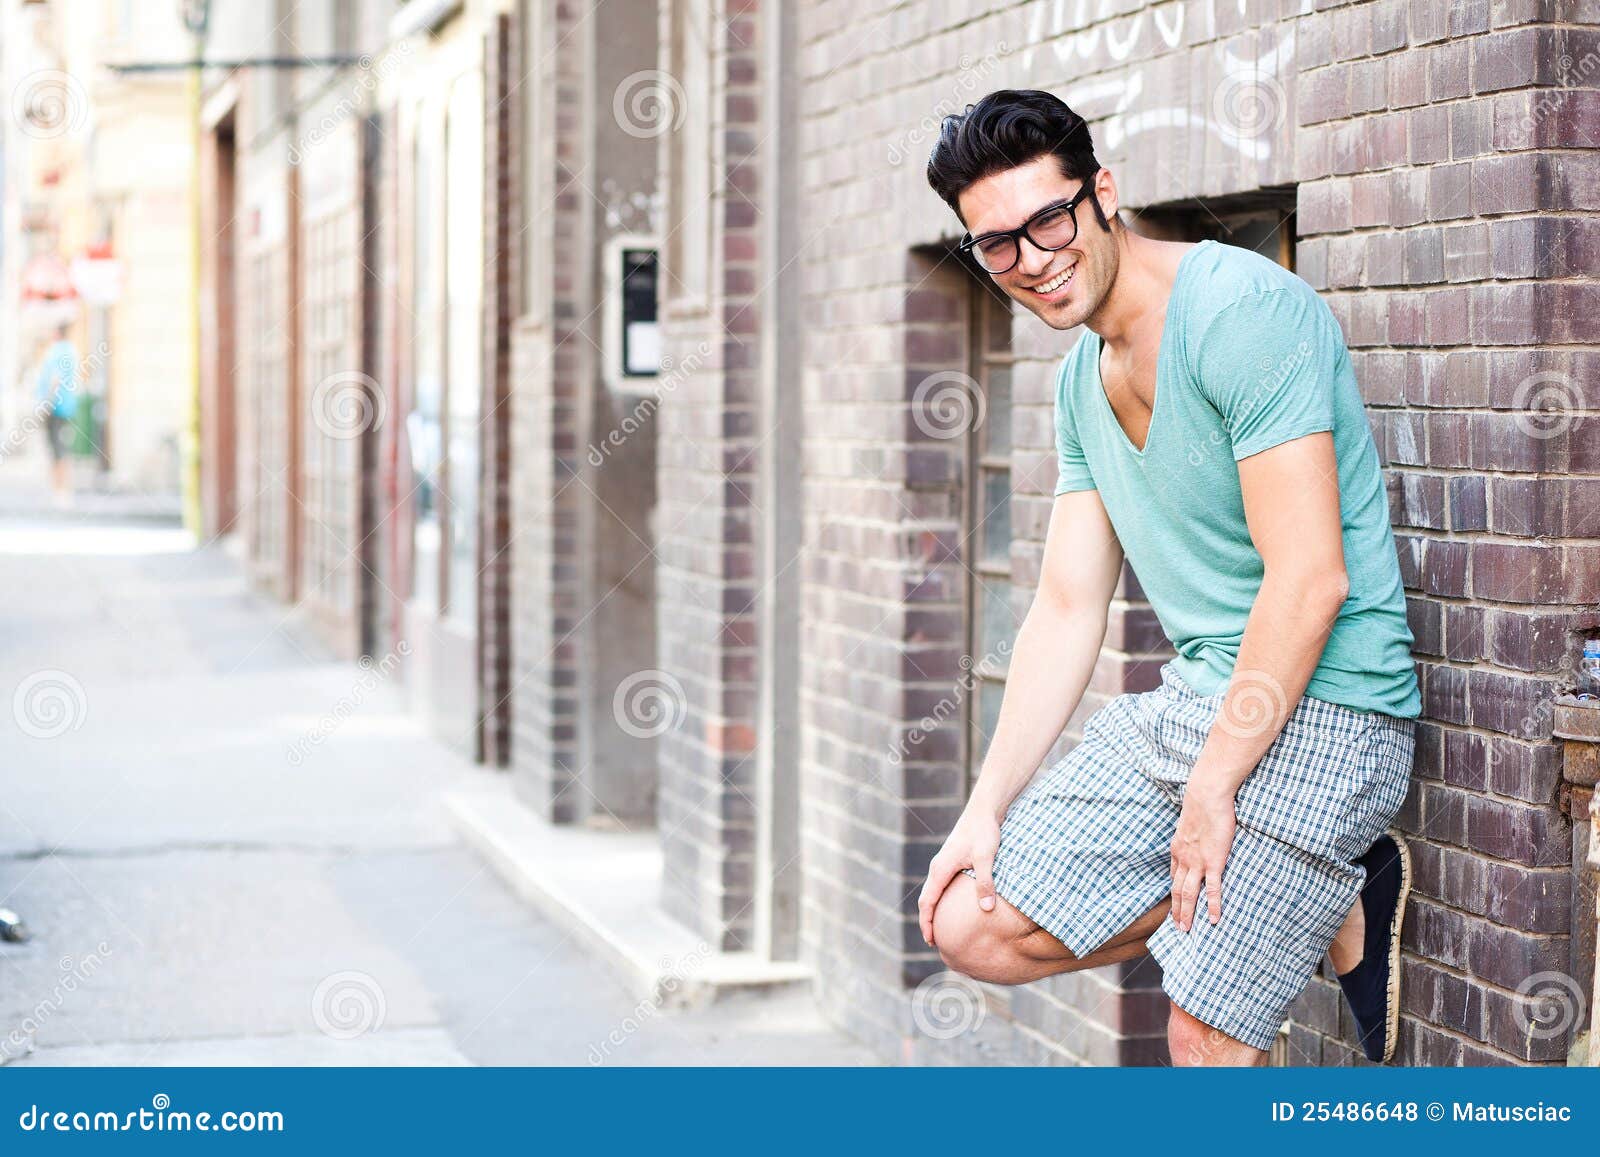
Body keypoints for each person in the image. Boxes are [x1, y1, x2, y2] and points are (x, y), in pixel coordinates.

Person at [916, 90, 1420, 1066]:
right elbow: (1066, 607)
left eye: (1048, 219)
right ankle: (1322, 895)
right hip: (1200, 695)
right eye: (996, 245)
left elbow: (1310, 579)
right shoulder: (1078, 382)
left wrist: (1213, 786)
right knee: (963, 917)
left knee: (1197, 1036)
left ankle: (1300, 890)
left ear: (1102, 193)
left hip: (1331, 703)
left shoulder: (1240, 313)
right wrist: (983, 807)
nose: (1031, 258)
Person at [35, 322, 80, 505]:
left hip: (54, 407)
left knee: (56, 449)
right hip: (68, 406)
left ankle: (59, 490)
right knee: (63, 447)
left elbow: (55, 379)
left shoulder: (56, 352)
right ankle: (63, 489)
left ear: (56, 333)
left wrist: (45, 403)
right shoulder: (71, 351)